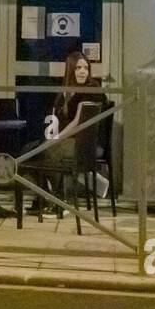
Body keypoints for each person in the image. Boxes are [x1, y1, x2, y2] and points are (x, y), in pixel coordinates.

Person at [27, 51, 99, 212]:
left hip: (80, 141)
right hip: (64, 139)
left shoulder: (91, 89)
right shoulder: (64, 93)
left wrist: (58, 138)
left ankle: (60, 199)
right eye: (78, 67)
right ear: (70, 70)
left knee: (50, 151)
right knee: (29, 152)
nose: (83, 71)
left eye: (86, 68)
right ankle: (44, 195)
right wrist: (51, 136)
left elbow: (77, 122)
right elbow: (56, 118)